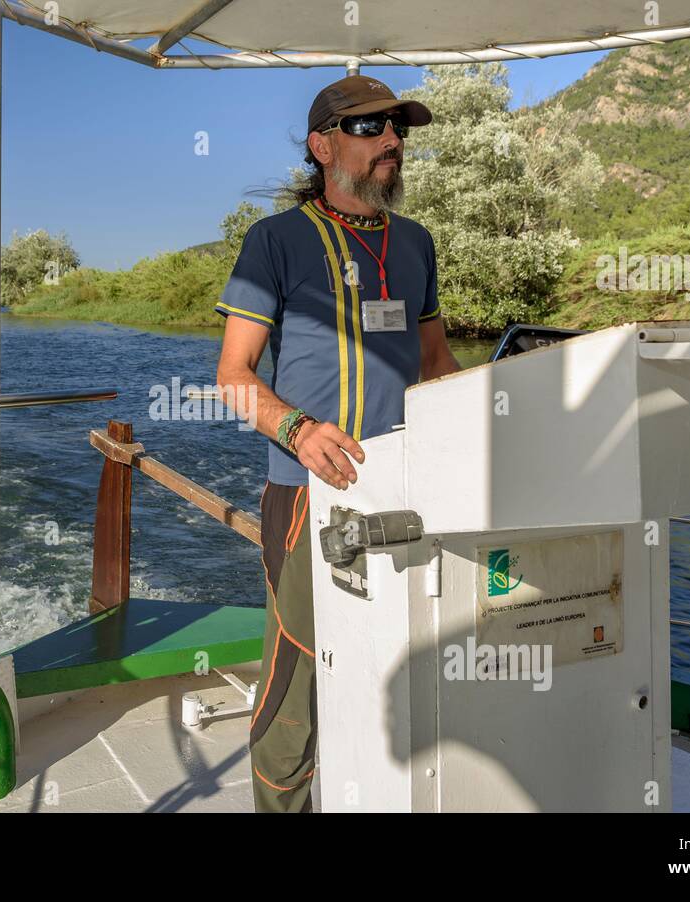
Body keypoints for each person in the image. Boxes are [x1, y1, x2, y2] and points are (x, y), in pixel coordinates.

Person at [214, 75, 464, 812]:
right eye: (370, 128)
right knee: (295, 687)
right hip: (308, 496)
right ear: (322, 147)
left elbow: (437, 364)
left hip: (406, 490)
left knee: (403, 664)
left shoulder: (415, 243)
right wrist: (296, 429)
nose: (391, 141)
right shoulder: (274, 242)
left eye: (397, 129)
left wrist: (502, 410)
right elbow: (233, 376)